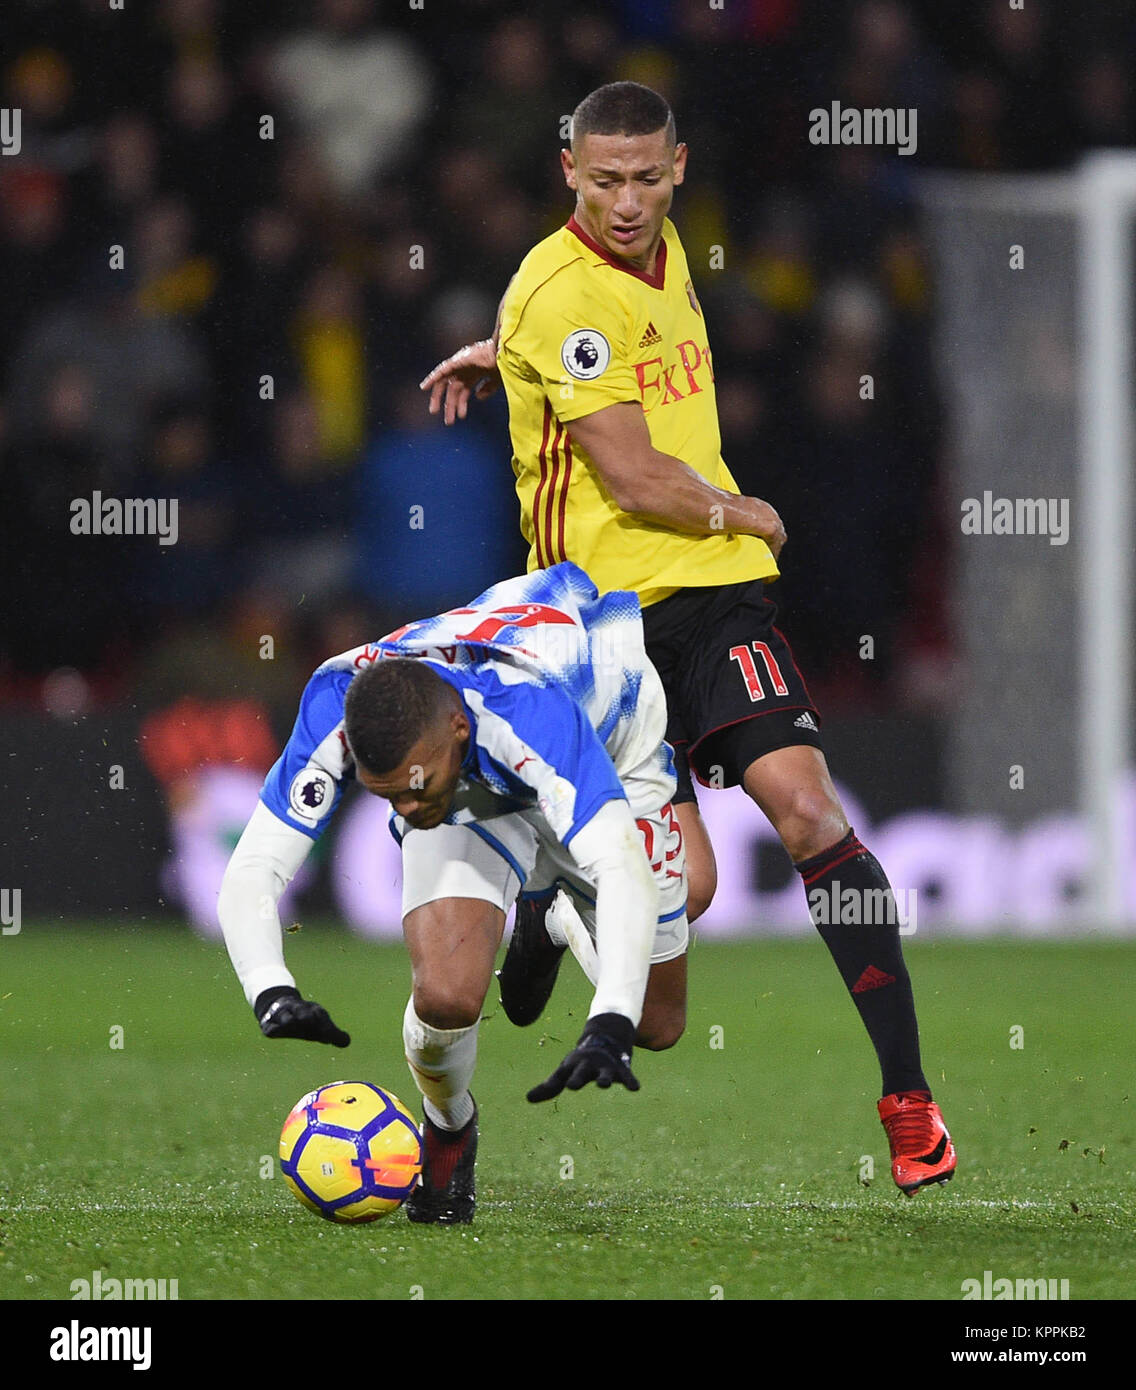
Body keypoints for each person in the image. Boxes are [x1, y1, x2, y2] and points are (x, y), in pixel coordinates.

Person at [419, 81, 955, 1195]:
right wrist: (737, 508)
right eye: (603, 179)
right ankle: (551, 896)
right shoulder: (559, 288)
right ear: (566, 167)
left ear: (677, 169)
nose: (625, 201)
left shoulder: (653, 258)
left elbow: (588, 344)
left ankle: (907, 1099)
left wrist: (508, 353)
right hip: (606, 632)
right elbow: (625, 470)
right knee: (663, 1008)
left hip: (716, 606)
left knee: (809, 811)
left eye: (645, 178)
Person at [217, 561, 688, 1224]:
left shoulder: (530, 715)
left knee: (654, 1024)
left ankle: (546, 916)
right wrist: (270, 988)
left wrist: (607, 1019)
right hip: (477, 778)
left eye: (415, 789)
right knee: (442, 996)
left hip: (610, 747)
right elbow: (252, 869)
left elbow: (619, 868)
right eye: (389, 797)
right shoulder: (340, 707)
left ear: (457, 733)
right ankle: (448, 1129)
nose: (406, 811)